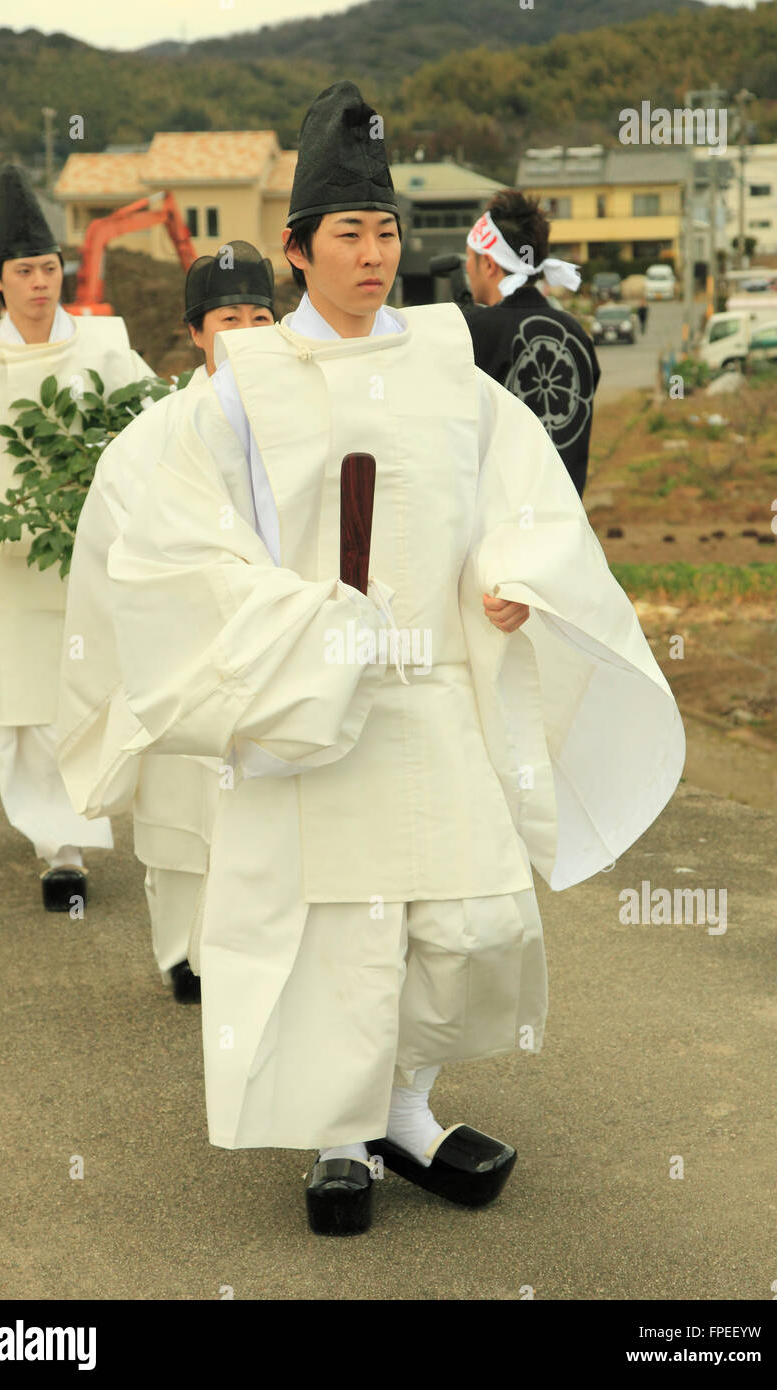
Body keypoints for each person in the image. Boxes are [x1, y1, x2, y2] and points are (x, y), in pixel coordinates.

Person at [103, 81, 684, 1235]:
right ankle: (340, 1136)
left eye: (384, 234)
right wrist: (292, 631)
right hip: (308, 703)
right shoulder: (237, 389)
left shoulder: (441, 366)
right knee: (331, 936)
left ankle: (405, 1103)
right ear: (295, 251)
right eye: (347, 235)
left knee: (474, 926)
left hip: (432, 693)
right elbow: (178, 540)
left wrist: (510, 577)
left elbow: (516, 494)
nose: (372, 256)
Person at [57, 243, 275, 1002]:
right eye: (227, 318)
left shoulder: (303, 426)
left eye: (259, 316)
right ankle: (184, 952)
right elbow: (110, 555)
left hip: (277, 651)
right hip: (184, 658)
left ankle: (259, 947)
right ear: (195, 332)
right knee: (184, 807)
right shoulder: (150, 438)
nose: (244, 332)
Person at [0, 165, 153, 912]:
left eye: (49, 267)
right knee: (28, 701)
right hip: (12, 556)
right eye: (24, 271)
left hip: (92, 553)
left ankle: (92, 815)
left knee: (95, 688)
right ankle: (59, 849)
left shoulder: (105, 345)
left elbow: (148, 429)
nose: (40, 283)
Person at [463, 190, 600, 498]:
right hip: (568, 529)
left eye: (469, 258)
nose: (467, 269)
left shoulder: (469, 335)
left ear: (488, 263)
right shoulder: (576, 335)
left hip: (500, 532)